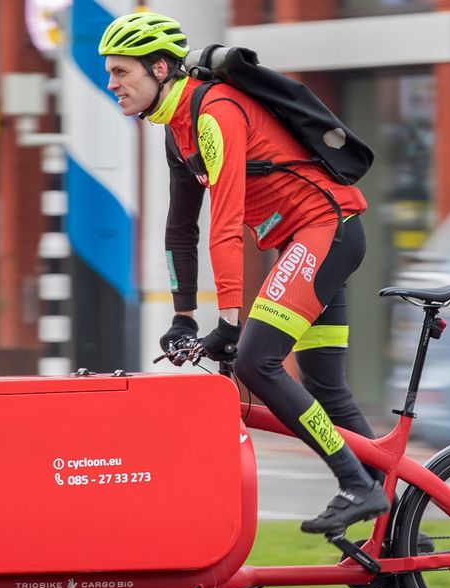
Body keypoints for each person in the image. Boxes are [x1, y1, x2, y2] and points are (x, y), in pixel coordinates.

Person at [99, 12, 388, 534]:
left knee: (257, 362)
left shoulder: (214, 113)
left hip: (327, 230)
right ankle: (398, 535)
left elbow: (226, 224)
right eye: (111, 73)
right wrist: (183, 318)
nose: (112, 83)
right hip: (303, 241)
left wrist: (229, 323)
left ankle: (357, 483)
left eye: (122, 72)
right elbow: (179, 230)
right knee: (325, 387)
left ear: (159, 69)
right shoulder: (177, 130)